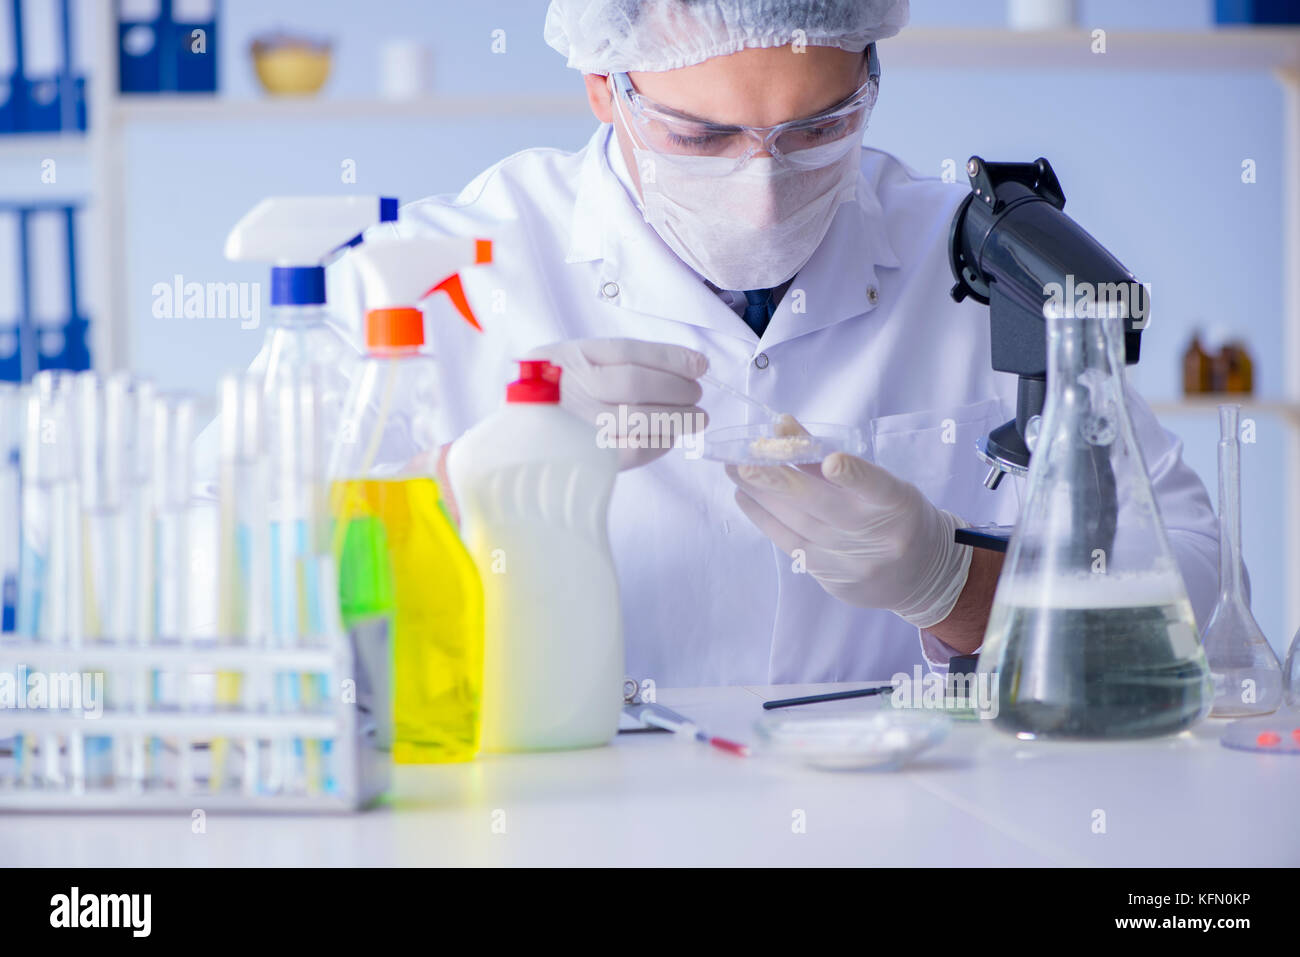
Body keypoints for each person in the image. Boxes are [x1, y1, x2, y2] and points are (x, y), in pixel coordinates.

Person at [334, 0, 1220, 687]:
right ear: (605, 85)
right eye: (700, 136)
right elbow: (250, 582)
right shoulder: (437, 273)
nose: (761, 190)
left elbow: (1200, 584)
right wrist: (466, 476)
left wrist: (958, 585)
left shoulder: (974, 262)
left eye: (818, 129)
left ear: (871, 76)